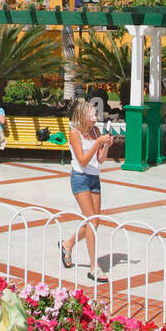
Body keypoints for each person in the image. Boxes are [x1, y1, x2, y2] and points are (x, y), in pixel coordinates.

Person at [60, 99, 113, 283]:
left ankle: (68, 244)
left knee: (95, 222)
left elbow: (100, 160)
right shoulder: (75, 133)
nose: (95, 117)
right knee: (91, 221)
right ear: (83, 116)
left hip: (94, 177)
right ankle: (93, 267)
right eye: (92, 114)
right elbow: (82, 161)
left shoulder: (95, 131)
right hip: (80, 178)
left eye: (95, 114)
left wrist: (104, 146)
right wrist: (97, 142)